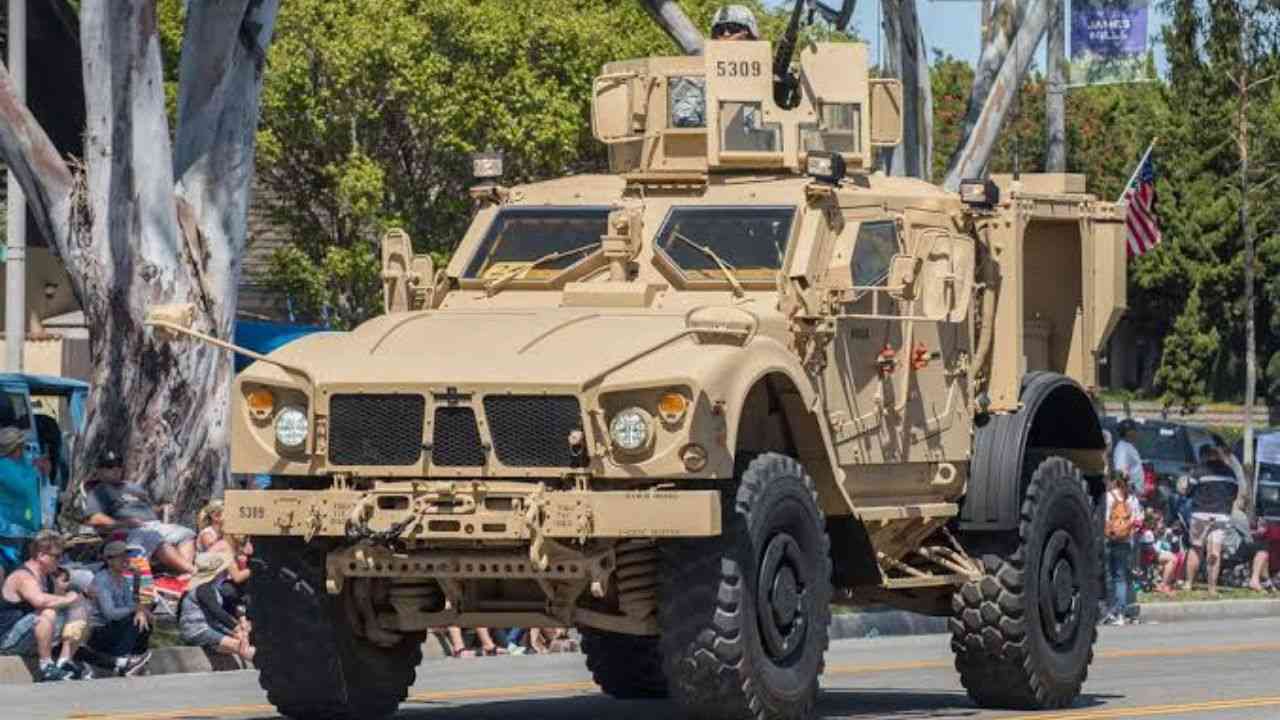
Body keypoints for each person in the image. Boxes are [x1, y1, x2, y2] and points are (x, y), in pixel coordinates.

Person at [83, 450, 198, 576]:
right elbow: (95, 518)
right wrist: (123, 523)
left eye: (118, 465)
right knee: (153, 537)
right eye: (109, 466)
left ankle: (183, 574)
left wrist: (160, 509)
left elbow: (146, 508)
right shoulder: (99, 491)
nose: (115, 469)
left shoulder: (133, 487)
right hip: (129, 530)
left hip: (154, 525)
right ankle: (192, 571)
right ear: (100, 471)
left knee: (186, 534)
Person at [0, 531, 91, 681]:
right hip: (8, 640)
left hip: (33, 636)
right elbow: (40, 601)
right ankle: (46, 666)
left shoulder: (47, 577)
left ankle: (64, 661)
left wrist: (75, 597)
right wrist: (69, 598)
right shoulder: (23, 576)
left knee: (81, 607)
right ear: (41, 555)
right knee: (47, 612)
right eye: (56, 556)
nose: (60, 560)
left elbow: (60, 601)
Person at [669, 5, 762, 129]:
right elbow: (683, 118)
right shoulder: (697, 76)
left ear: (749, 34)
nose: (726, 33)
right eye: (720, 30)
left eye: (733, 28)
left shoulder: (764, 72)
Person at [178, 537, 254, 663]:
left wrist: (241, 625)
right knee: (239, 646)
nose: (225, 573)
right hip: (197, 629)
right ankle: (269, 665)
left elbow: (231, 610)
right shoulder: (202, 588)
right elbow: (216, 612)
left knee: (239, 641)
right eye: (223, 570)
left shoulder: (213, 588)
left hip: (209, 627)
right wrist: (236, 628)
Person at [82, 541, 152, 676]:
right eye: (121, 557)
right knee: (135, 617)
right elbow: (110, 613)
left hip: (115, 628)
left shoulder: (123, 580)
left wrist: (137, 580)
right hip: (98, 633)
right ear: (109, 560)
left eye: (127, 556)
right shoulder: (102, 580)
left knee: (144, 617)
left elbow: (130, 604)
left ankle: (136, 656)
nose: (126, 560)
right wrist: (137, 609)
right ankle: (124, 658)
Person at [1184, 446, 1240, 594]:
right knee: (1214, 551)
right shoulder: (1230, 472)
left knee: (1196, 548)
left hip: (1200, 514)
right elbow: (1234, 493)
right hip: (1221, 515)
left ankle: (1189, 584)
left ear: (1205, 456)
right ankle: (1212, 588)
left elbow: (1188, 492)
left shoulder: (1199, 470)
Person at [1102, 472, 1141, 625]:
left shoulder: (1109, 497)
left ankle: (1113, 611)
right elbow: (1138, 521)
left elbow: (1104, 518)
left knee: (1110, 576)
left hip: (1109, 538)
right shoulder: (1132, 499)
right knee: (1122, 576)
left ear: (1114, 482)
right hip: (1126, 540)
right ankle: (1123, 612)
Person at [1112, 419, 1145, 498]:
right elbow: (1120, 472)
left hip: (1133, 494)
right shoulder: (1122, 448)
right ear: (1129, 432)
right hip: (1128, 494)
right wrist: (1128, 491)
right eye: (1134, 430)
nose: (1137, 432)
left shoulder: (1128, 446)